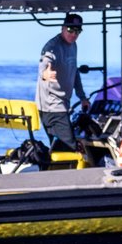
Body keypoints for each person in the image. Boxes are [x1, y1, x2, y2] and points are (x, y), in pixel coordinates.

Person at [35, 13, 88, 151]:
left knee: (60, 147)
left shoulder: (73, 45)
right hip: (51, 106)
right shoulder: (52, 47)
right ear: (63, 28)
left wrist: (82, 97)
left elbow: (74, 72)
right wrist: (45, 74)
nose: (74, 34)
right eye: (70, 30)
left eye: (78, 31)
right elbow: (43, 66)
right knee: (69, 148)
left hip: (63, 104)